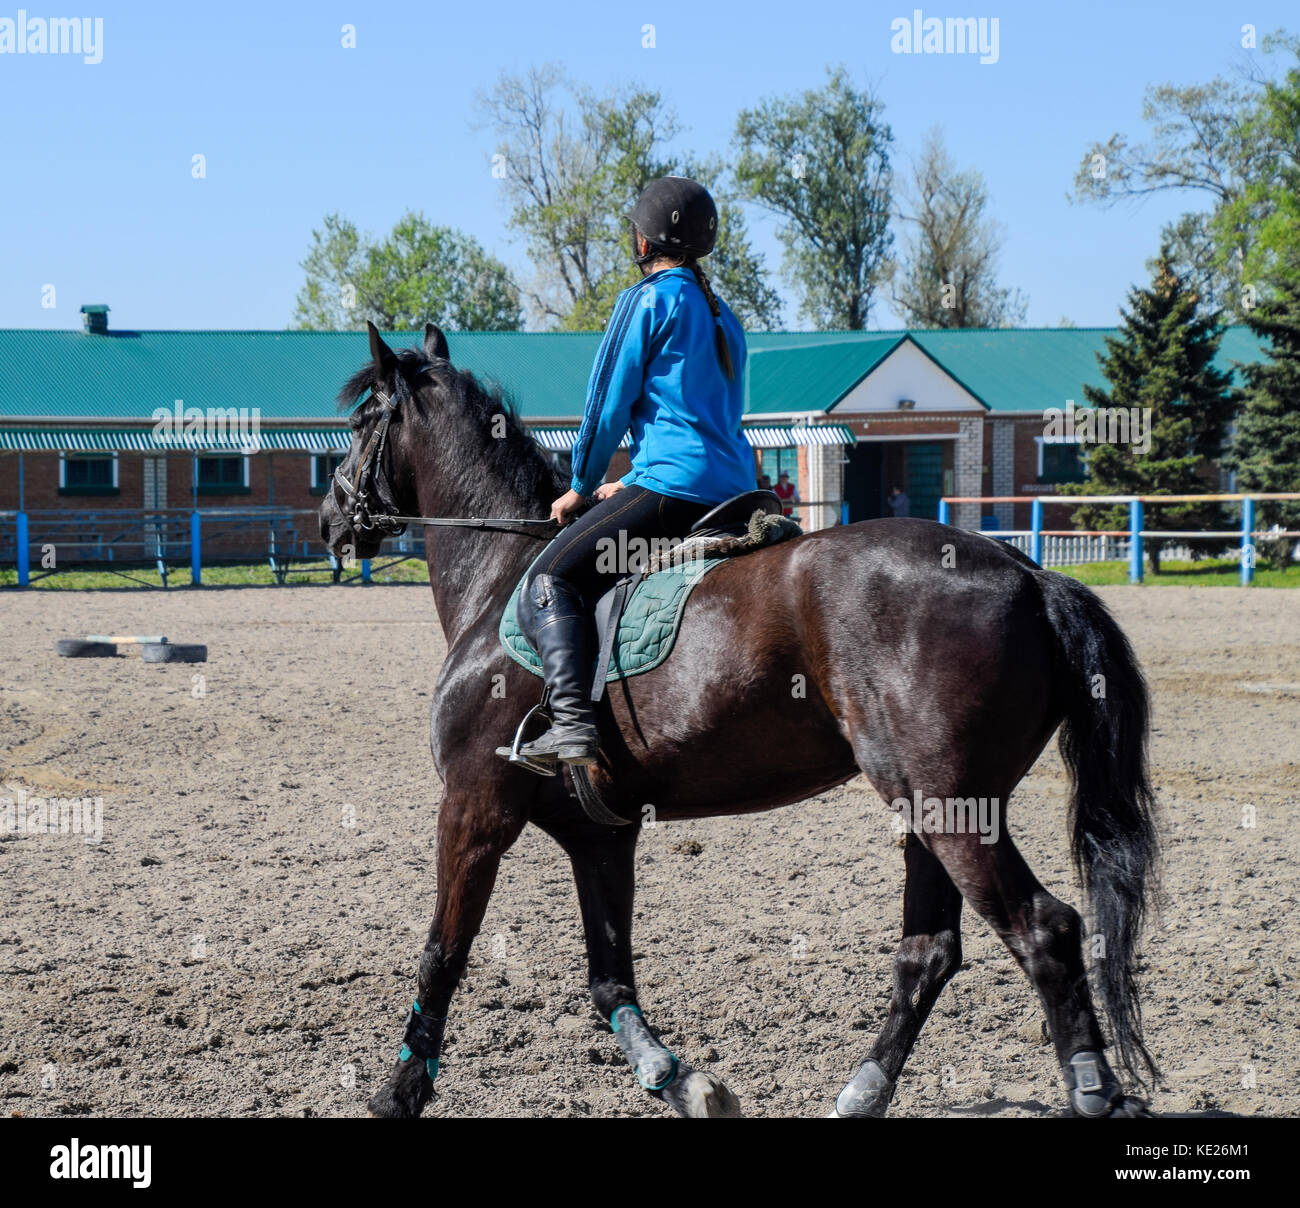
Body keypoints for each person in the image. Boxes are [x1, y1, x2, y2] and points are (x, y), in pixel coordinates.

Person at [506, 176, 755, 768]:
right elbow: (701, 415)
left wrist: (580, 485)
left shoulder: (646, 301)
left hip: (677, 491)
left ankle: (569, 726)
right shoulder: (726, 318)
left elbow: (606, 406)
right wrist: (633, 476)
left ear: (643, 245)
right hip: (737, 492)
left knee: (549, 583)